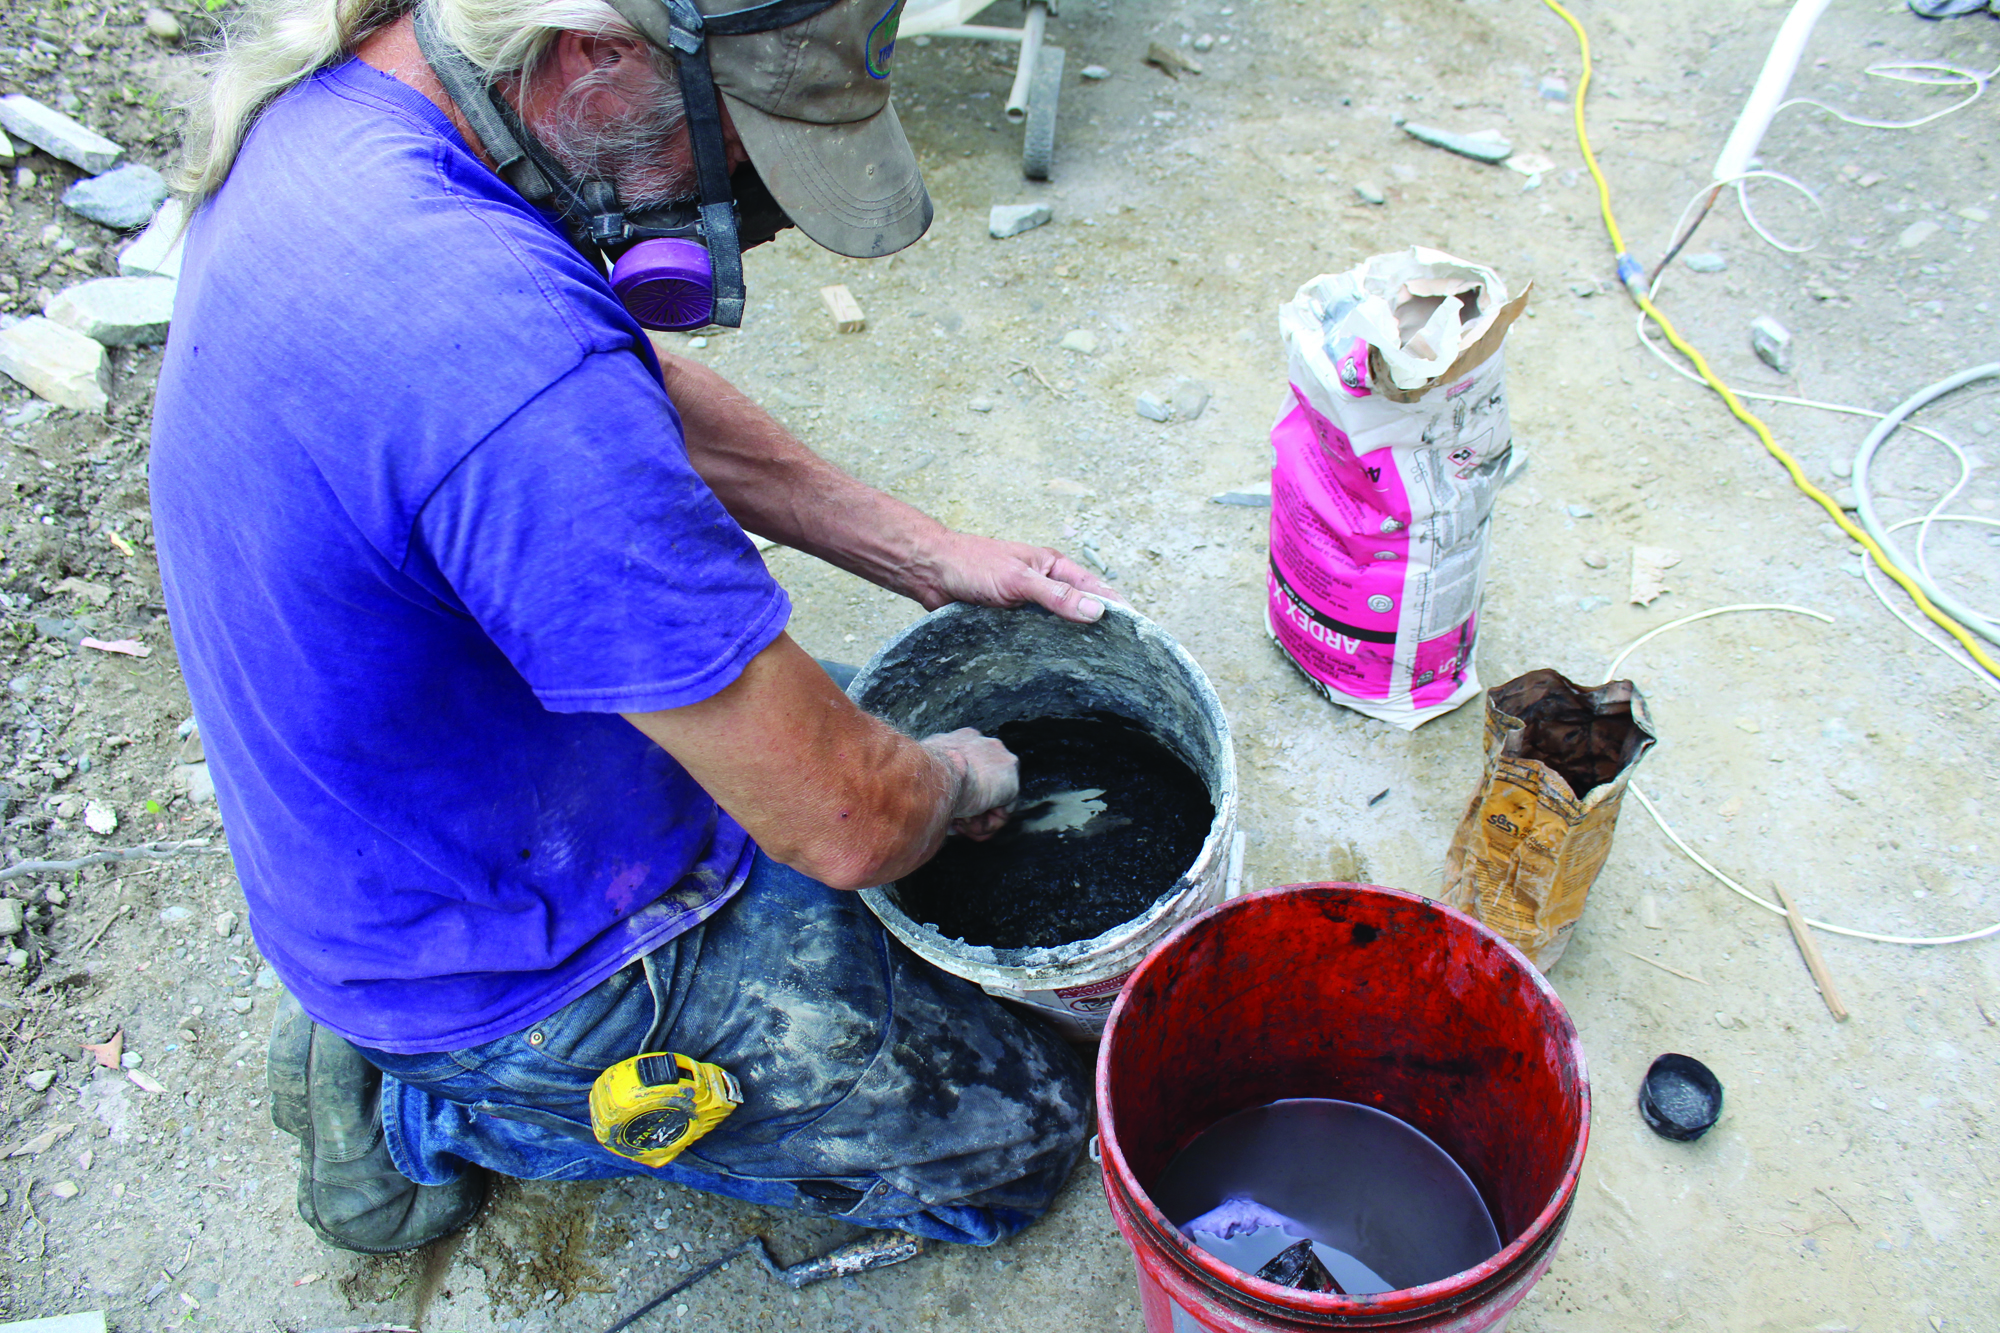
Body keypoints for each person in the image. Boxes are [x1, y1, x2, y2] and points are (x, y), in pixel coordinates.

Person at [151, 0, 1115, 1255]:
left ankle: (387, 1019)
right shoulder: (504, 371)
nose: (744, 228)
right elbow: (849, 819)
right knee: (1023, 1121)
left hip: (423, 794)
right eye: (744, 169)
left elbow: (630, 383)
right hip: (493, 936)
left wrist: (923, 554)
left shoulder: (362, 117)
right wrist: (954, 775)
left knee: (868, 758)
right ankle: (425, 1108)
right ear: (595, 58)